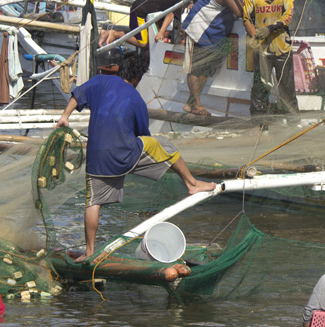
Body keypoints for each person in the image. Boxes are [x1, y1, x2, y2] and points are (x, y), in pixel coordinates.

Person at [57, 53, 215, 261]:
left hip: (96, 157)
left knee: (93, 202)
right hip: (125, 154)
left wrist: (65, 116)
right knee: (163, 145)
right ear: (137, 77)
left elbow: (77, 95)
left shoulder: (99, 81)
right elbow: (142, 136)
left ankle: (89, 251)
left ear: (119, 68)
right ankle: (192, 183)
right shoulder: (136, 99)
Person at [182, 0, 254, 116]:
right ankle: (196, 105)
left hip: (217, 31)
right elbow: (240, 11)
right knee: (196, 68)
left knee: (207, 69)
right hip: (200, 28)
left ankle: (190, 102)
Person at [243, 0, 298, 117]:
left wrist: (269, 29)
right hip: (262, 51)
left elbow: (287, 17)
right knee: (260, 88)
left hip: (282, 48)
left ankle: (291, 121)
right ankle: (259, 122)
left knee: (286, 88)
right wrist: (255, 36)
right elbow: (247, 19)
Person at [99, 0, 203, 52]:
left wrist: (189, 4)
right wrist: (161, 33)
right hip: (139, 12)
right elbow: (170, 14)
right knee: (143, 42)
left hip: (145, 11)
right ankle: (115, 33)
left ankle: (112, 33)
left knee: (146, 40)